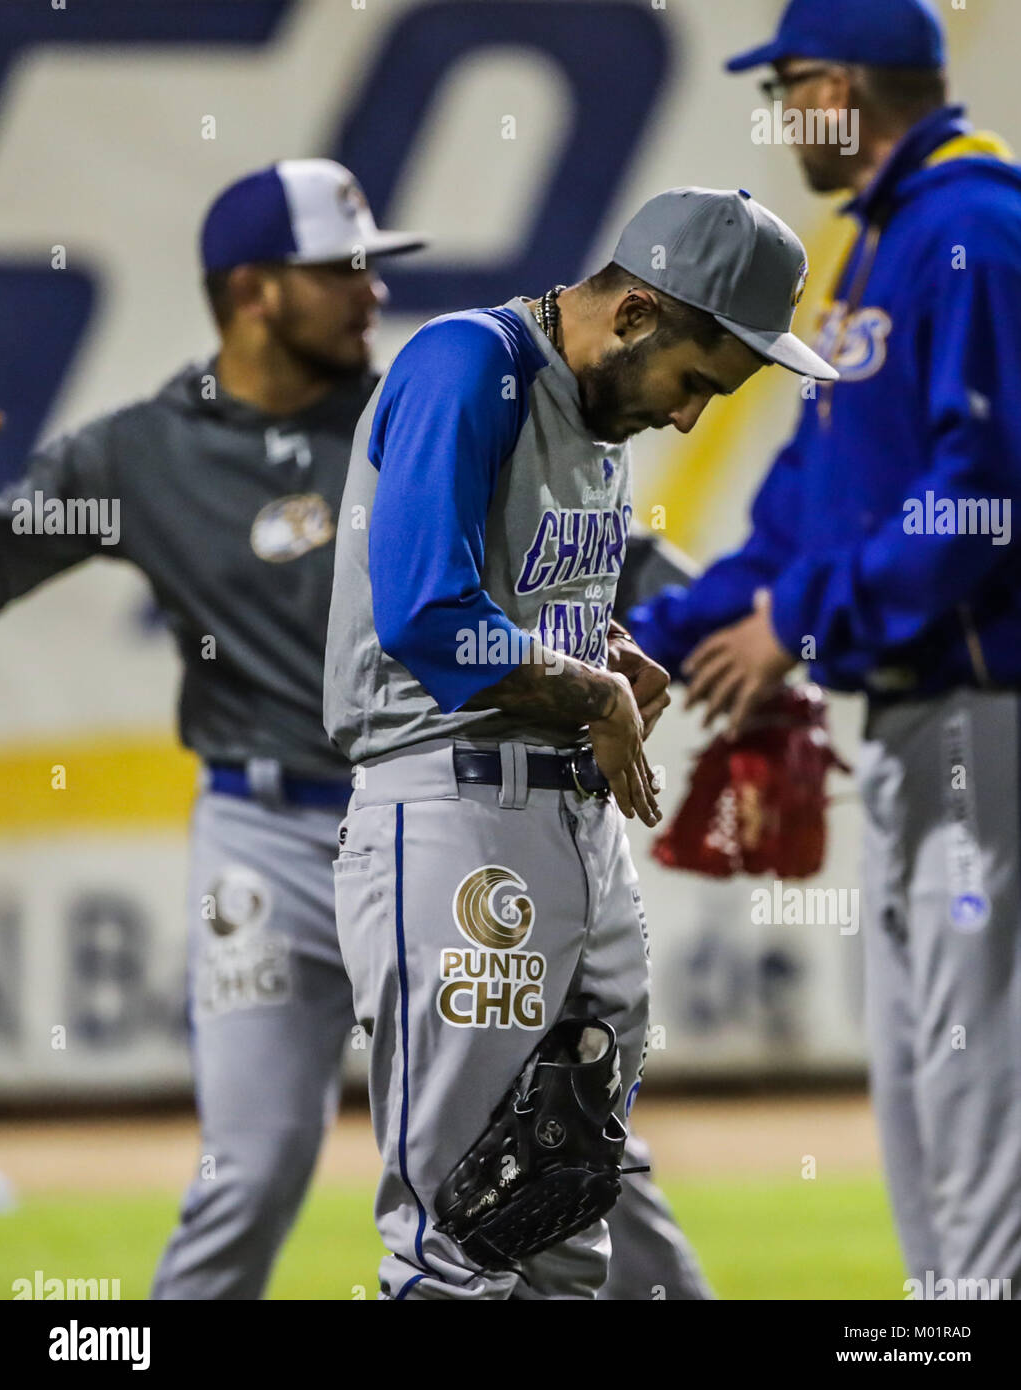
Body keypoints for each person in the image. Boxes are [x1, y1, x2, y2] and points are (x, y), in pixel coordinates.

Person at [0, 159, 713, 1301]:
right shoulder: (137, 452)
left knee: (585, 1163)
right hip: (268, 838)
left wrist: (711, 635)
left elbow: (618, 570)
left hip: (468, 813)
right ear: (250, 291)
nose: (371, 290)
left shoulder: (430, 407)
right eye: (340, 269)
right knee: (256, 1163)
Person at [325, 185, 836, 1299]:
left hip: (567, 827)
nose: (691, 417)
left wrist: (602, 649)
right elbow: (425, 610)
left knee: (559, 1213)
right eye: (696, 383)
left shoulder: (592, 408)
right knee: (460, 1232)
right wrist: (595, 693)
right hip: (452, 819)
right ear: (638, 313)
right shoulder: (470, 362)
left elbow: (517, 605)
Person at [628, 0, 1021, 1297]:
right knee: (918, 1080)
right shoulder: (877, 244)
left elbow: (989, 490)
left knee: (980, 1083)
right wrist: (645, 637)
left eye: (789, 83)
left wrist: (799, 620)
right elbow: (797, 508)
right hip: (918, 720)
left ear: (844, 85)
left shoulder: (972, 226)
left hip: (991, 712)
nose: (780, 108)